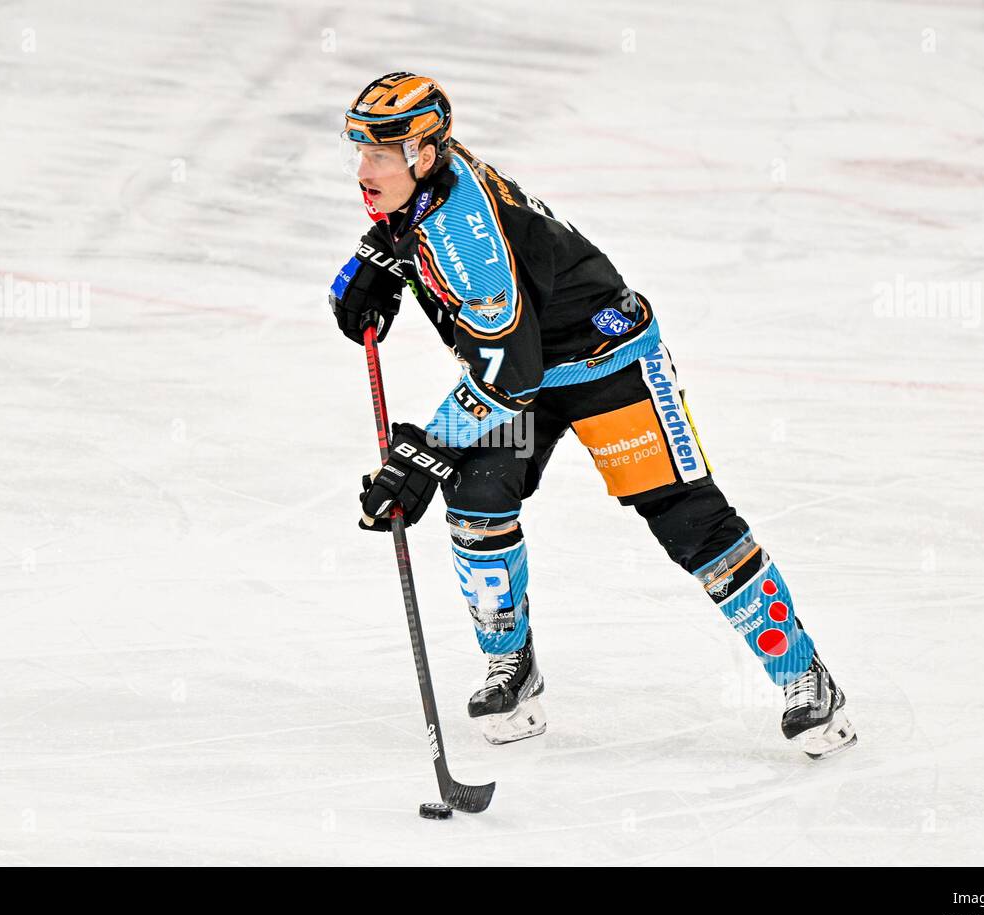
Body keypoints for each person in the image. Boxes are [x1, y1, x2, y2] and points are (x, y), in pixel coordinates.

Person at [328, 72, 858, 759]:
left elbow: (502, 377)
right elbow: (482, 326)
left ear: (425, 154)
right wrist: (379, 256)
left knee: (687, 518)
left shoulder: (468, 237)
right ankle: (512, 673)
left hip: (606, 368)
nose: (363, 171)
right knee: (479, 500)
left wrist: (427, 451)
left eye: (380, 155)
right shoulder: (432, 185)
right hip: (523, 371)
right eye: (360, 152)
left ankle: (806, 679)